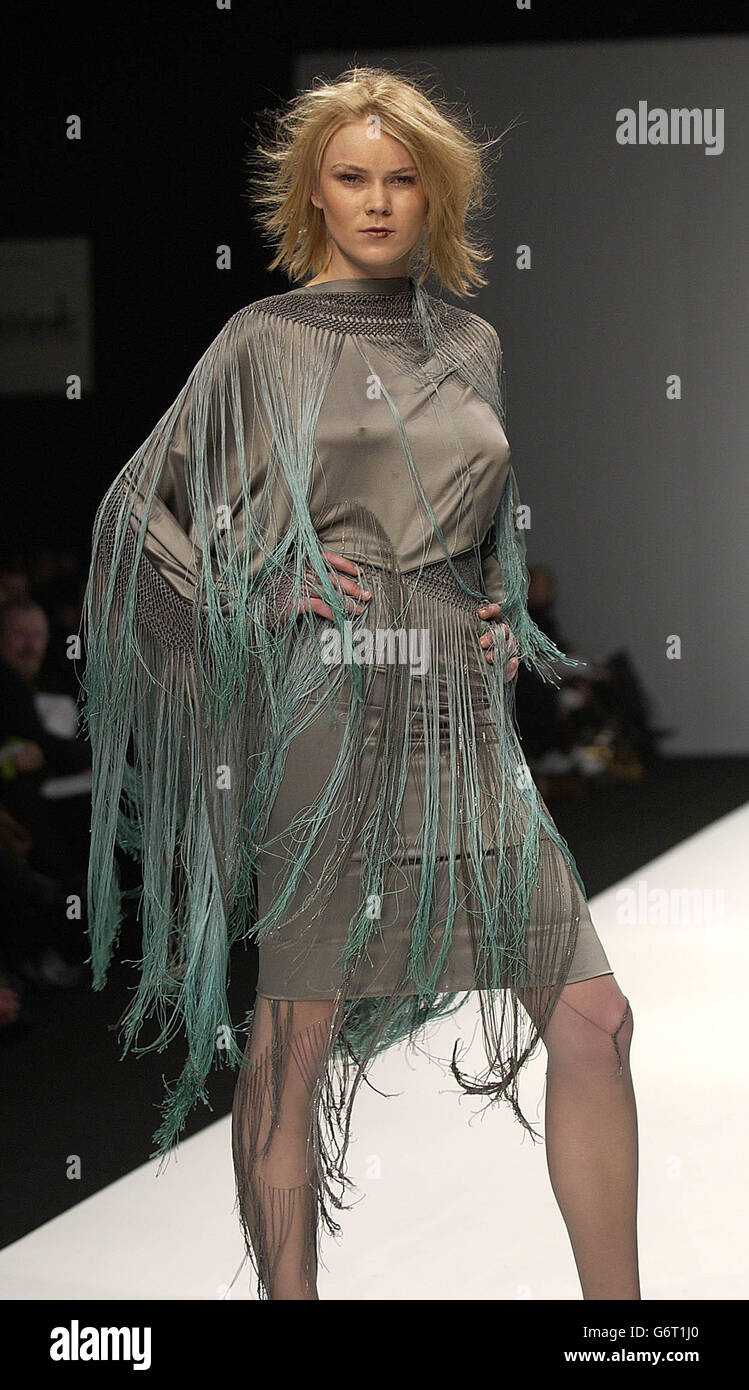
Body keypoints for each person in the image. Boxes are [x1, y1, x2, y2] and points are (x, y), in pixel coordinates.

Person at [81, 66, 640, 1301]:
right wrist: (257, 591)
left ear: (432, 195)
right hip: (325, 708)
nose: (378, 202)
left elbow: (483, 513)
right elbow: (140, 524)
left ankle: (622, 1329)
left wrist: (498, 625)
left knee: (594, 1017)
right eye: (352, 179)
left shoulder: (470, 339)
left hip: (456, 707)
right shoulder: (263, 341)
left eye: (401, 179)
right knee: (296, 1033)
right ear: (313, 194)